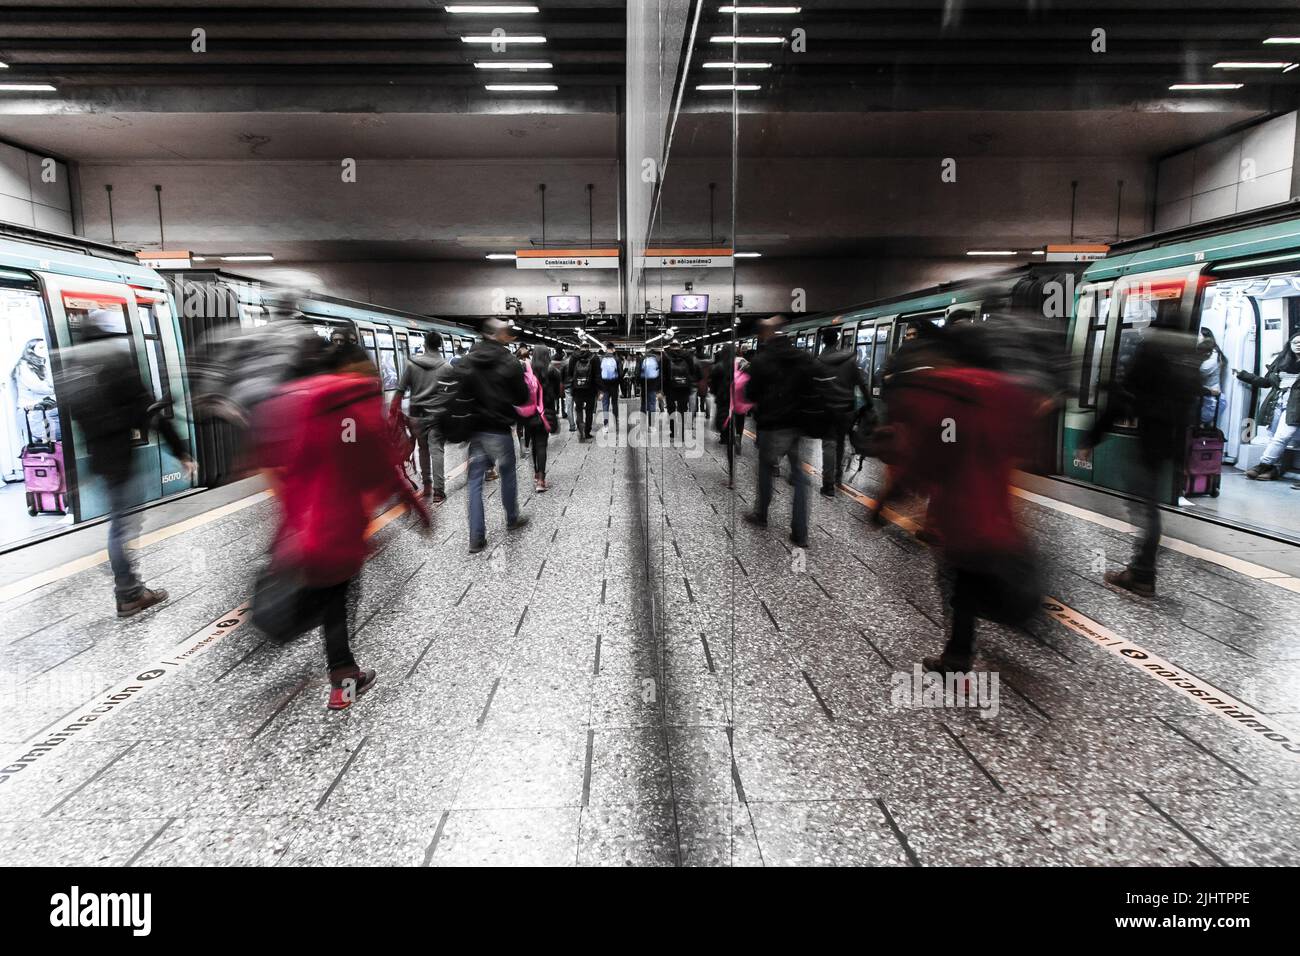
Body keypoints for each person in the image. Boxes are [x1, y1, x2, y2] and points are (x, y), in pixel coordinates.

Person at [257, 340, 430, 710]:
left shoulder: (312, 406)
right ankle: (343, 683)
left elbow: (296, 469)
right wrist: (416, 508)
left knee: (333, 600)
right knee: (337, 601)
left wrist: (289, 524)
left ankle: (342, 676)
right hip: (341, 529)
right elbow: (379, 470)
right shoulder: (354, 412)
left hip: (310, 527)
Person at [874, 323, 1040, 672]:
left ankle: (958, 655)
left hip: (960, 511)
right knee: (976, 578)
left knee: (958, 584)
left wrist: (890, 497)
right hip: (999, 509)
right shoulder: (1008, 392)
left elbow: (930, 457)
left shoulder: (951, 394)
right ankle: (974, 641)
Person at [60, 310, 196, 616]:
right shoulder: (116, 360)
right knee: (123, 528)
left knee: (118, 526)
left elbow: (78, 418)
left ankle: (129, 589)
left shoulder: (70, 366)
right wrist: (180, 451)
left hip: (100, 459)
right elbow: (148, 411)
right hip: (123, 456)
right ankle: (129, 593)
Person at [1078, 319, 1201, 597]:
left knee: (1144, 508)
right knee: (1148, 507)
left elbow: (1123, 399)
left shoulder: (1150, 352)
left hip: (1148, 440)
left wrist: (1092, 438)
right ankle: (1144, 565)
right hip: (1172, 444)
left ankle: (1142, 572)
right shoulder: (1189, 356)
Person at [461, 318, 531, 553]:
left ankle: (476, 538)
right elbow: (522, 397)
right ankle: (512, 518)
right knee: (508, 473)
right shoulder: (508, 361)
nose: (507, 336)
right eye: (504, 332)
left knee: (474, 484)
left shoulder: (468, 360)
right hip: (499, 429)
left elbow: (459, 394)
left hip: (476, 430)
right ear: (496, 335)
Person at [742, 317, 813, 547]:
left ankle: (762, 515)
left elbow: (750, 395)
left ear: (765, 335)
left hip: (772, 425)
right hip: (798, 424)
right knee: (800, 477)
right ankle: (800, 532)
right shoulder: (803, 357)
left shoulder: (762, 361)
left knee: (766, 469)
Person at [391, 330, 450, 502]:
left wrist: (392, 413)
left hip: (416, 415)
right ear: (440, 345)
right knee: (437, 451)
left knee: (423, 450)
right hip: (437, 415)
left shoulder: (411, 365)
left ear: (424, 344)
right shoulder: (446, 367)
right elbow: (455, 391)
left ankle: (427, 486)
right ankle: (439, 492)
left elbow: (400, 391)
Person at [813, 326, 871, 497]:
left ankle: (828, 484)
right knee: (840, 442)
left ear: (823, 341)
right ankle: (838, 476)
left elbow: (814, 388)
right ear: (838, 340)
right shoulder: (849, 360)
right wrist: (869, 405)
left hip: (827, 408)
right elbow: (861, 383)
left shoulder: (818, 362)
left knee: (828, 444)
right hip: (847, 409)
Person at [1238, 331, 1300, 482]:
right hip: (1276, 402)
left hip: (1296, 405)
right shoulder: (1280, 361)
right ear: (1290, 345)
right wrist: (1244, 375)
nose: (1298, 345)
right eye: (1295, 342)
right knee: (1273, 437)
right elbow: (1267, 383)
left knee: (1282, 436)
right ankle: (1273, 470)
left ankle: (1263, 465)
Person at [527, 345, 562, 492]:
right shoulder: (553, 371)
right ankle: (541, 480)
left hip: (529, 413)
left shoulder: (527, 371)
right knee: (542, 445)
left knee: (534, 444)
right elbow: (559, 393)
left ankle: (536, 473)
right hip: (546, 412)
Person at [12, 338, 60, 443]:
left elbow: (50, 383)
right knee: (68, 429)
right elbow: (39, 387)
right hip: (32, 415)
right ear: (31, 350)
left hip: (42, 412)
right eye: (41, 347)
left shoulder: (40, 364)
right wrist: (59, 388)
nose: (45, 349)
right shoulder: (23, 365)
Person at [663, 343, 697, 443]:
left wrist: (662, 389)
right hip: (684, 387)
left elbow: (663, 374)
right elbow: (692, 371)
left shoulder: (665, 356)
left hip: (670, 387)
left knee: (671, 409)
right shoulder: (687, 356)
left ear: (670, 347)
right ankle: (681, 434)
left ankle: (673, 432)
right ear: (680, 347)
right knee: (682, 409)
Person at [1197, 328, 1227, 428]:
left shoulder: (1212, 356)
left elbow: (1201, 372)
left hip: (1209, 400)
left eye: (1199, 336)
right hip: (1210, 399)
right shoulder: (1213, 353)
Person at [597, 341, 622, 432]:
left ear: (606, 349)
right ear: (613, 349)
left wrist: (600, 387)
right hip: (614, 385)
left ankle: (606, 425)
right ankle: (615, 423)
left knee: (605, 404)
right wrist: (618, 383)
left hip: (604, 386)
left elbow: (598, 374)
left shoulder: (601, 359)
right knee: (614, 404)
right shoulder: (617, 359)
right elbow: (621, 373)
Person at [640, 347, 663, 428]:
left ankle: (642, 423)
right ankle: (651, 426)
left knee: (643, 403)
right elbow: (660, 375)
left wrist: (639, 383)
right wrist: (659, 388)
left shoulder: (642, 359)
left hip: (644, 384)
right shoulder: (658, 360)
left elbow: (637, 372)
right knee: (652, 404)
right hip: (654, 385)